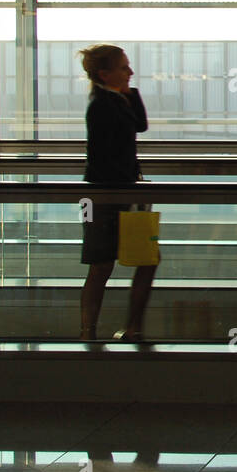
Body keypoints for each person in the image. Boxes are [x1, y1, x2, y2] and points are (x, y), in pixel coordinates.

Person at [77, 44, 157, 342]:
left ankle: (105, 330)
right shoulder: (101, 105)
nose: (130, 72)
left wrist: (129, 92)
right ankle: (99, 330)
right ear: (105, 73)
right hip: (109, 194)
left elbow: (140, 125)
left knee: (128, 261)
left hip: (118, 192)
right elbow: (109, 151)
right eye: (124, 68)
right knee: (102, 264)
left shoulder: (112, 100)